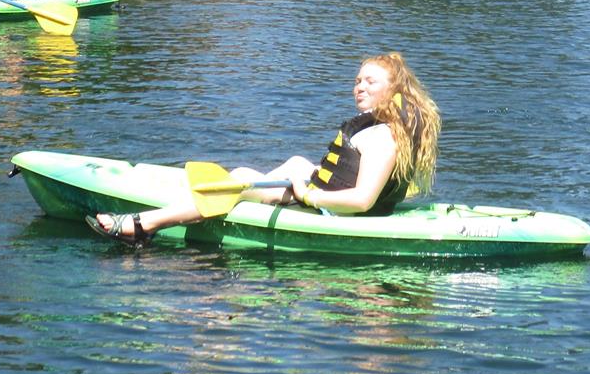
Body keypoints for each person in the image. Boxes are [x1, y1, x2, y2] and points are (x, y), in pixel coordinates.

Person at [87, 52, 441, 247]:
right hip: (325, 197)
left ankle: (144, 225)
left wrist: (309, 196)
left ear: (393, 92)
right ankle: (229, 197)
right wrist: (304, 181)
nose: (359, 87)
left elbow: (363, 200)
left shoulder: (383, 137)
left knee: (241, 178)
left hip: (337, 214)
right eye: (357, 80)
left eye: (370, 81)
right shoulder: (377, 127)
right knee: (296, 162)